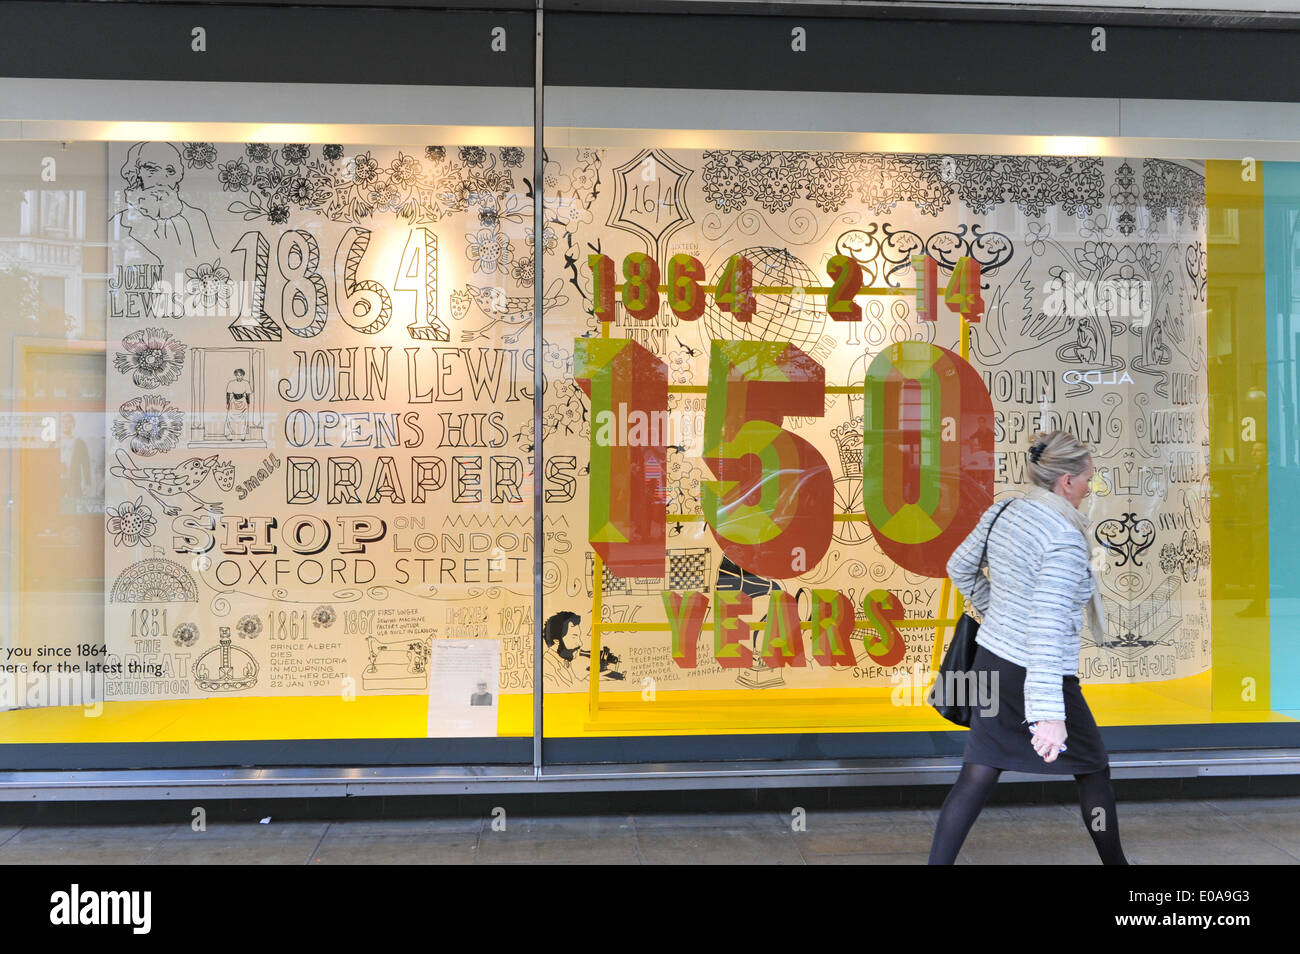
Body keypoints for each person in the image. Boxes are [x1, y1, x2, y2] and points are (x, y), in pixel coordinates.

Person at [928, 429, 1128, 865]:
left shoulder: (1007, 508)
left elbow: (959, 567)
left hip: (992, 659)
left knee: (978, 773)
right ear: (1067, 482)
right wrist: (1048, 715)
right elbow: (1046, 627)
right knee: (1092, 769)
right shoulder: (1063, 538)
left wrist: (1001, 614)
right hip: (1034, 671)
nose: (1091, 486)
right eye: (1088, 477)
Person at [225, 368, 253, 441]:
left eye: (240, 375)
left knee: (245, 419)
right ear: (235, 376)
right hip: (233, 401)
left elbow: (248, 395)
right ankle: (229, 435)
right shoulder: (231, 383)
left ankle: (243, 436)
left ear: (243, 376)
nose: (239, 377)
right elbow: (228, 394)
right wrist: (227, 403)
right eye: (237, 375)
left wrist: (248, 403)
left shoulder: (246, 383)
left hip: (243, 402)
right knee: (229, 418)